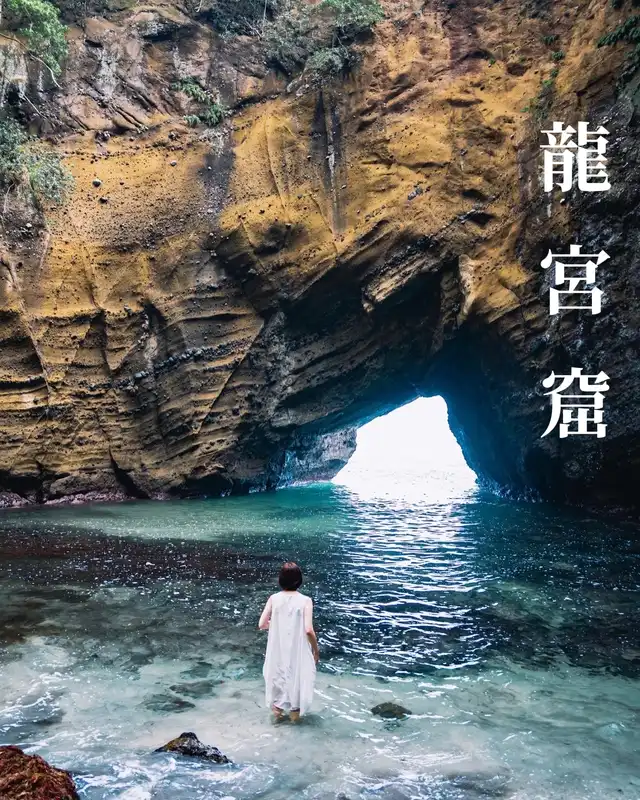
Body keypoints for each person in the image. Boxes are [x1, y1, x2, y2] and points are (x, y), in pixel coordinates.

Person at [258, 561, 319, 722]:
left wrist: (277, 625)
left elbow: (262, 624)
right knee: (296, 687)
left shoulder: (273, 598)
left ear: (281, 580)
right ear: (299, 580)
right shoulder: (305, 601)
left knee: (278, 684)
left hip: (278, 650)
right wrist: (316, 650)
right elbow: (308, 630)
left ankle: (277, 724)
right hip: (297, 652)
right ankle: (294, 724)